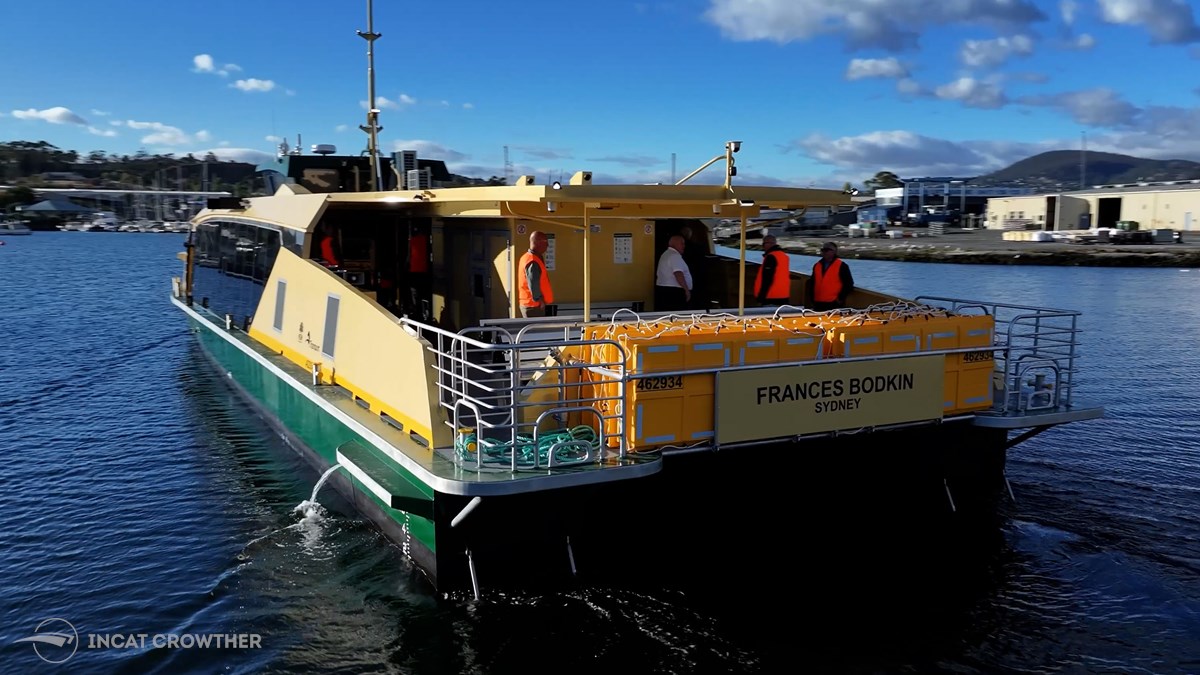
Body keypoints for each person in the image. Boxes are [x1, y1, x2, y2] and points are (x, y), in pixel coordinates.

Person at [805, 241, 854, 311]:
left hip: (833, 303)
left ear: (834, 252)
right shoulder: (817, 265)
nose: (824, 252)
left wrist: (840, 298)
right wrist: (812, 298)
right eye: (823, 250)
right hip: (818, 303)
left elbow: (849, 284)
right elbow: (812, 283)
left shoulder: (842, 266)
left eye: (827, 250)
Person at [518, 230, 554, 318]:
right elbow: (533, 283)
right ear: (537, 242)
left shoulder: (528, 257)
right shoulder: (532, 261)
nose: (547, 245)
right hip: (533, 306)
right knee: (536, 331)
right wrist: (540, 300)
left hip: (531, 305)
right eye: (545, 242)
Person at [655, 234, 692, 312]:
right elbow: (678, 273)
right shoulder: (674, 256)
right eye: (682, 243)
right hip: (674, 293)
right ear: (674, 244)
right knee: (677, 315)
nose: (684, 246)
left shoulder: (666, 254)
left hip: (665, 290)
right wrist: (686, 290)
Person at [754, 234, 791, 305]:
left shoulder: (771, 257)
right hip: (783, 295)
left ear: (768, 243)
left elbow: (767, 278)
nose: (763, 246)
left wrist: (761, 297)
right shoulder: (784, 256)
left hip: (770, 297)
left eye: (764, 243)